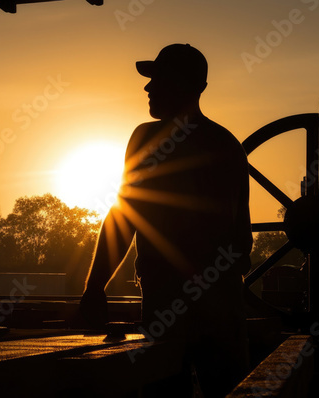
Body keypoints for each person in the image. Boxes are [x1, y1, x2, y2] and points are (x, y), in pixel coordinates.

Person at [79, 43, 253, 397]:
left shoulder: (148, 138)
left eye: (157, 80)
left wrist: (95, 287)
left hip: (168, 309)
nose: (148, 88)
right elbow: (242, 243)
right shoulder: (227, 145)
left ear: (186, 86)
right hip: (220, 309)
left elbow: (125, 217)